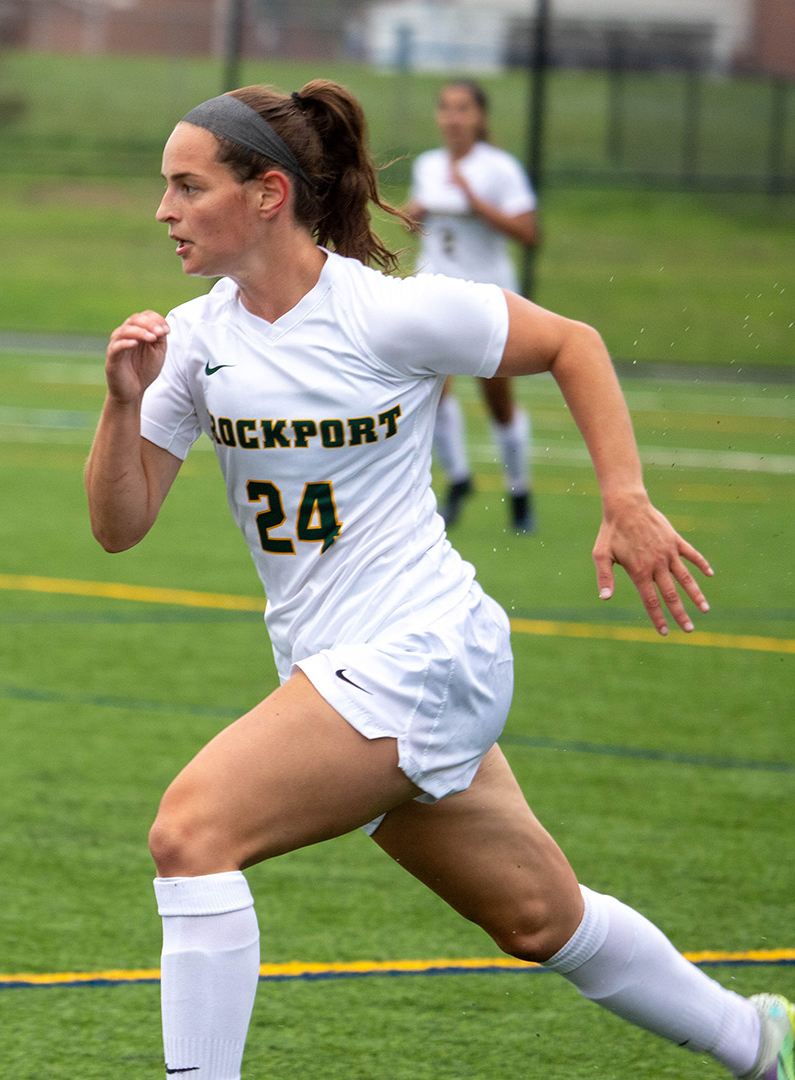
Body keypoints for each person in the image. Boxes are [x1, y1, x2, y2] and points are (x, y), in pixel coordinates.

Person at [85, 80, 788, 1080]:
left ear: (269, 194)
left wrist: (626, 498)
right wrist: (123, 405)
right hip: (338, 671)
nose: (164, 210)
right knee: (540, 918)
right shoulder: (192, 343)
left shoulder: (384, 313)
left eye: (187, 186)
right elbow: (118, 527)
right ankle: (761, 1041)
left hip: (422, 650)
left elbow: (573, 344)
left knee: (190, 832)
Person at [404, 79, 540, 531]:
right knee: (432, 390)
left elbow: (528, 233)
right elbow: (422, 227)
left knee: (498, 400)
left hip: (488, 299)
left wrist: (476, 203)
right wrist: (413, 215)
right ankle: (459, 479)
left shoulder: (499, 168)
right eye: (445, 108)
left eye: (463, 108)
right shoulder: (428, 165)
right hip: (435, 295)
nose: (453, 117)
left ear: (480, 116)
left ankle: (519, 490)